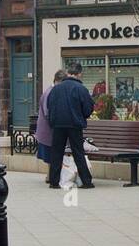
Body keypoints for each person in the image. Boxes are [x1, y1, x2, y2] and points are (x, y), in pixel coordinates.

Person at [46, 60, 95, 189]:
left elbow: (49, 106)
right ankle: (86, 181)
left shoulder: (56, 89)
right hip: (74, 124)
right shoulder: (81, 89)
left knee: (56, 152)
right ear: (79, 74)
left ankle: (54, 181)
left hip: (58, 124)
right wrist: (81, 116)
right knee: (78, 152)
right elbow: (88, 108)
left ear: (68, 73)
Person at [33, 68, 66, 166]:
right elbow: (48, 113)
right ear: (57, 81)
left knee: (51, 157)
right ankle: (50, 176)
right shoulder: (50, 93)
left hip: (46, 131)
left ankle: (49, 176)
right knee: (51, 157)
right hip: (48, 131)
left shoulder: (50, 91)